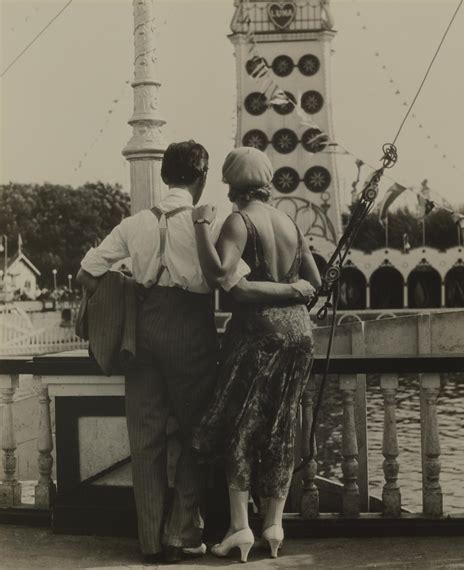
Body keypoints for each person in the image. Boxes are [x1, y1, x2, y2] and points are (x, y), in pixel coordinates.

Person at [77, 141, 315, 564]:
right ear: (202, 178)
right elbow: (233, 282)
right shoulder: (210, 222)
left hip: (143, 333)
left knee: (145, 438)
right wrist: (295, 291)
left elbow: (87, 272)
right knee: (199, 436)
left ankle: (150, 542)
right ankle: (180, 532)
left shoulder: (133, 224)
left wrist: (126, 289)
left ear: (165, 175)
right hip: (191, 332)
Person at [191, 147, 322, 562]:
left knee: (241, 426)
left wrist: (200, 228)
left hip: (257, 335)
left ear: (231, 185)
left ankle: (239, 527)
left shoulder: (238, 220)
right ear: (267, 181)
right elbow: (314, 284)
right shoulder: (289, 222)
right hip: (300, 335)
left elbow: (225, 279)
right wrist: (293, 291)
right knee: (282, 425)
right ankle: (274, 525)